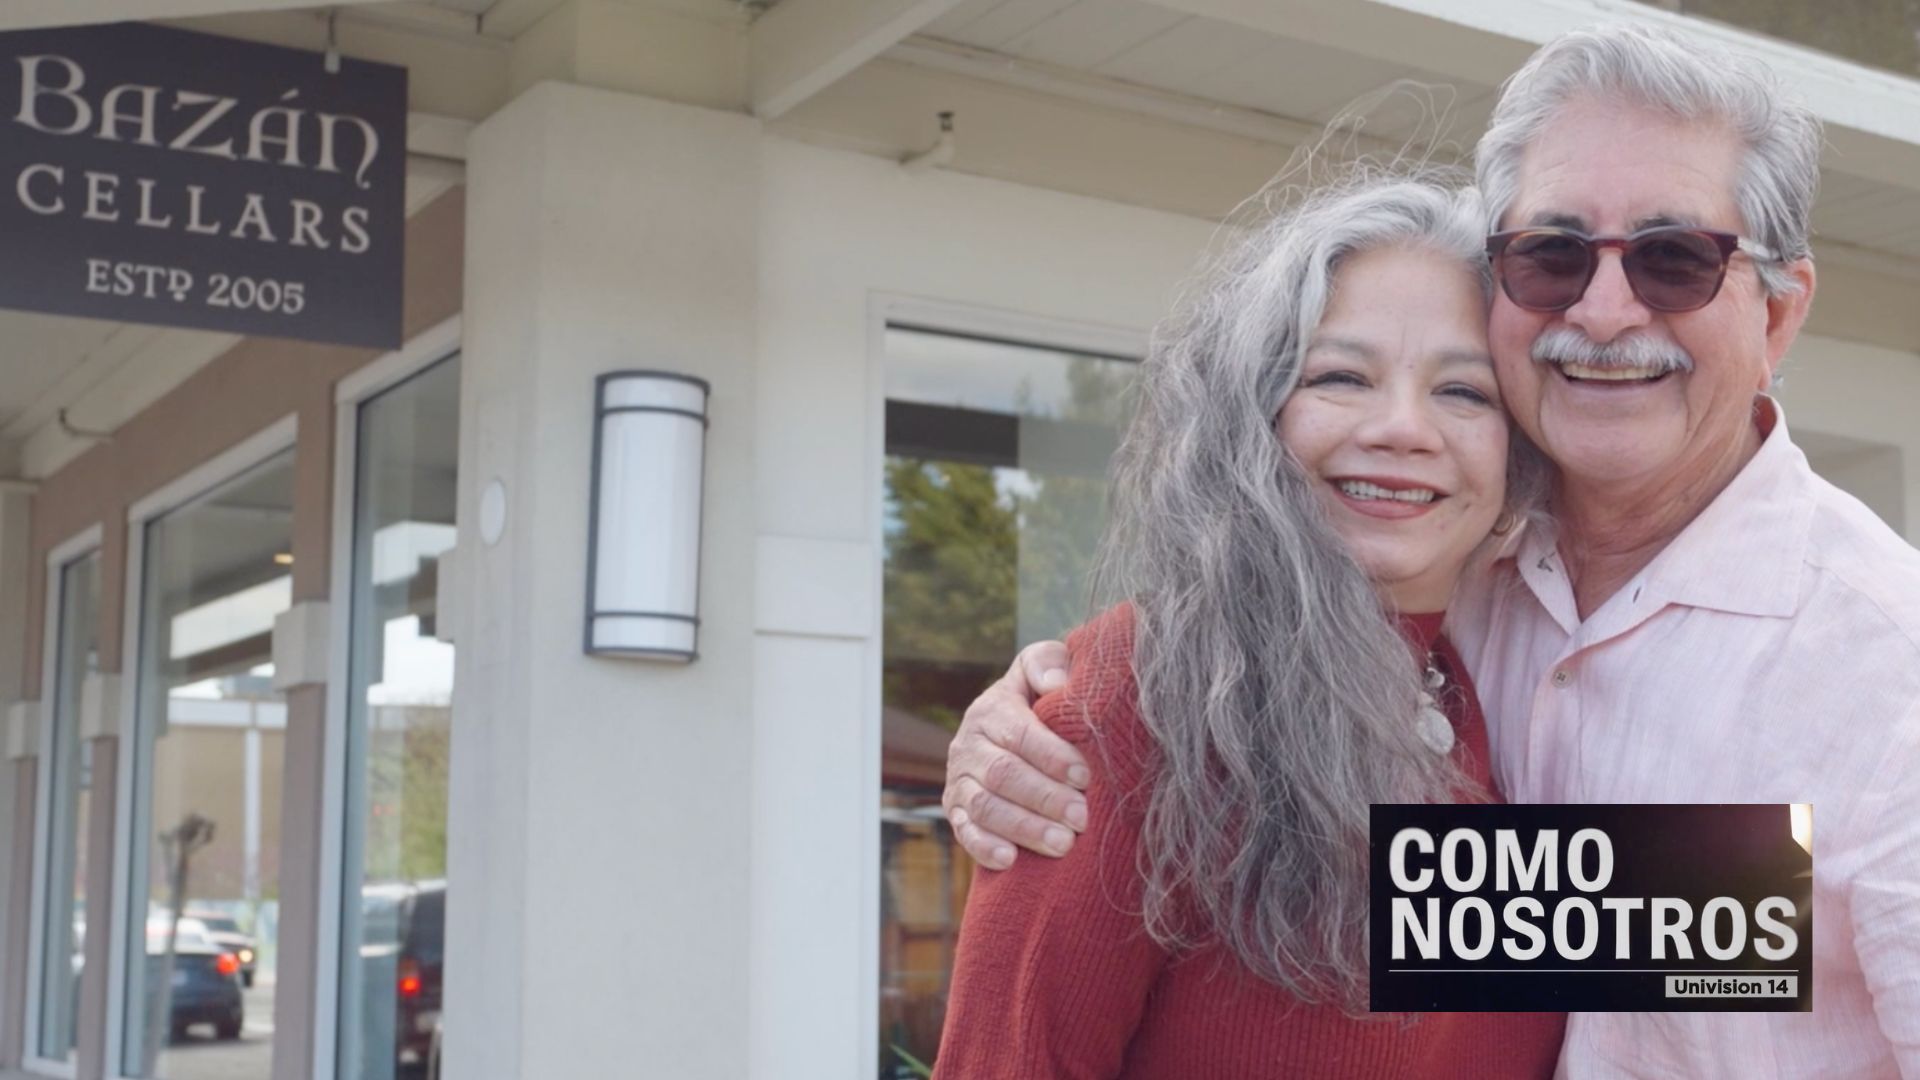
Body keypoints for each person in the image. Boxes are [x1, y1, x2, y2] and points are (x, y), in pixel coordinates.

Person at [941, 23, 1920, 1079]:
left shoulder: (1883, 669)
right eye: (1551, 255)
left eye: (1675, 259)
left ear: (1778, 315)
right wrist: (1072, 716)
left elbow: (1666, 931)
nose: (1602, 310)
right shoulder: (1445, 605)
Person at [932, 173, 1566, 1078]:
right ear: (1250, 416)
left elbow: (1744, 933)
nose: (1402, 428)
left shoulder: (1499, 689)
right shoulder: (1135, 703)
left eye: (1465, 393)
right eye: (1341, 376)